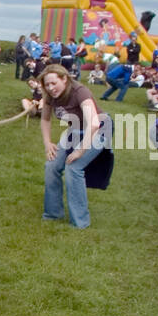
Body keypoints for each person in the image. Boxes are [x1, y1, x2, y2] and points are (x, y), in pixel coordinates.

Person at [40, 64, 112, 229]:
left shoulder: (80, 91)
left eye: (54, 83)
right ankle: (52, 214)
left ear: (64, 79)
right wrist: (47, 143)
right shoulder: (50, 95)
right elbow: (45, 119)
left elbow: (94, 123)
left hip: (100, 128)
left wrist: (80, 150)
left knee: (73, 166)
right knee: (51, 165)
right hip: (76, 130)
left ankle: (80, 222)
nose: (50, 88)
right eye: (47, 85)